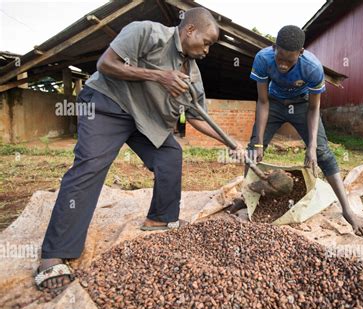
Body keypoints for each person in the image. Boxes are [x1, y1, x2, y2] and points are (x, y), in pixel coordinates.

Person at [35, 8, 241, 292]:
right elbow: (106, 64)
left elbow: (196, 116)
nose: (207, 49)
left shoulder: (193, 75)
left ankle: (160, 218)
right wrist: (159, 76)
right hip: (106, 104)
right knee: (91, 166)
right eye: (206, 41)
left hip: (143, 119)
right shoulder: (147, 32)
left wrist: (232, 143)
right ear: (190, 29)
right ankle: (53, 254)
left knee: (171, 154)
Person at [230, 25, 363, 236]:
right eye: (280, 57)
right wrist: (259, 141)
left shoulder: (313, 68)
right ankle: (247, 198)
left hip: (303, 105)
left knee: (323, 153)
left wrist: (312, 147)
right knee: (253, 149)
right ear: (274, 47)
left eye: (290, 60)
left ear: (301, 53)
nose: (283, 65)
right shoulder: (263, 59)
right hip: (274, 103)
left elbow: (314, 108)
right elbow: (262, 101)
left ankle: (347, 211)